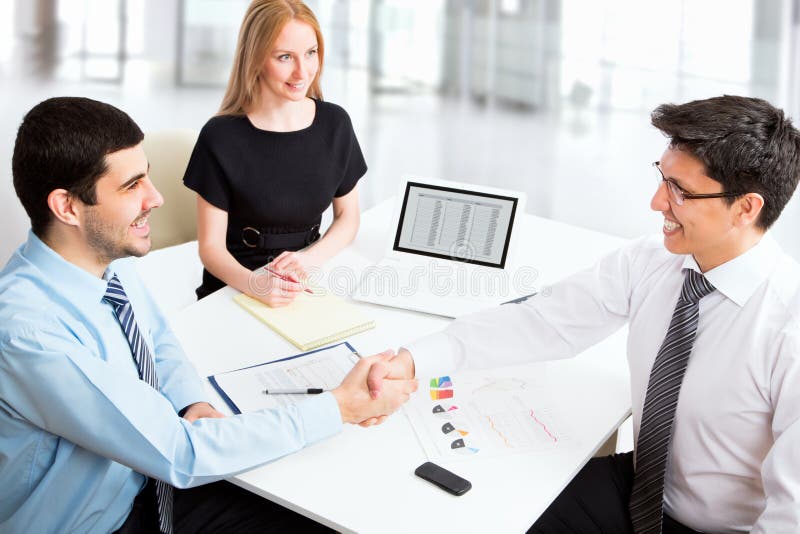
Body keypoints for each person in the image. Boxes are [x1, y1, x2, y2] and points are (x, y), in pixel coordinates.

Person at [366, 95, 800, 533]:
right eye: (662, 178)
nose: (656, 203)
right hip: (638, 491)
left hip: (730, 528)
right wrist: (412, 359)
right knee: (490, 515)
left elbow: (792, 513)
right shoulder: (650, 261)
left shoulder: (788, 327)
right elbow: (542, 322)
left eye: (680, 191)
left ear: (746, 208)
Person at [0, 96, 416, 533]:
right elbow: (180, 453)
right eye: (131, 186)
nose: (156, 198)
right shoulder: (30, 334)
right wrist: (340, 406)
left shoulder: (106, 260)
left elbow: (155, 341)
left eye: (148, 178)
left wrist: (190, 400)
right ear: (67, 207)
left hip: (148, 483)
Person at [184, 0, 366, 304]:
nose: (302, 72)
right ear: (255, 59)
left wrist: (308, 261)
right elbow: (211, 249)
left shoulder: (336, 124)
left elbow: (348, 217)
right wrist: (257, 285)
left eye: (311, 53)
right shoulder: (220, 136)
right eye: (285, 57)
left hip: (305, 281)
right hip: (236, 288)